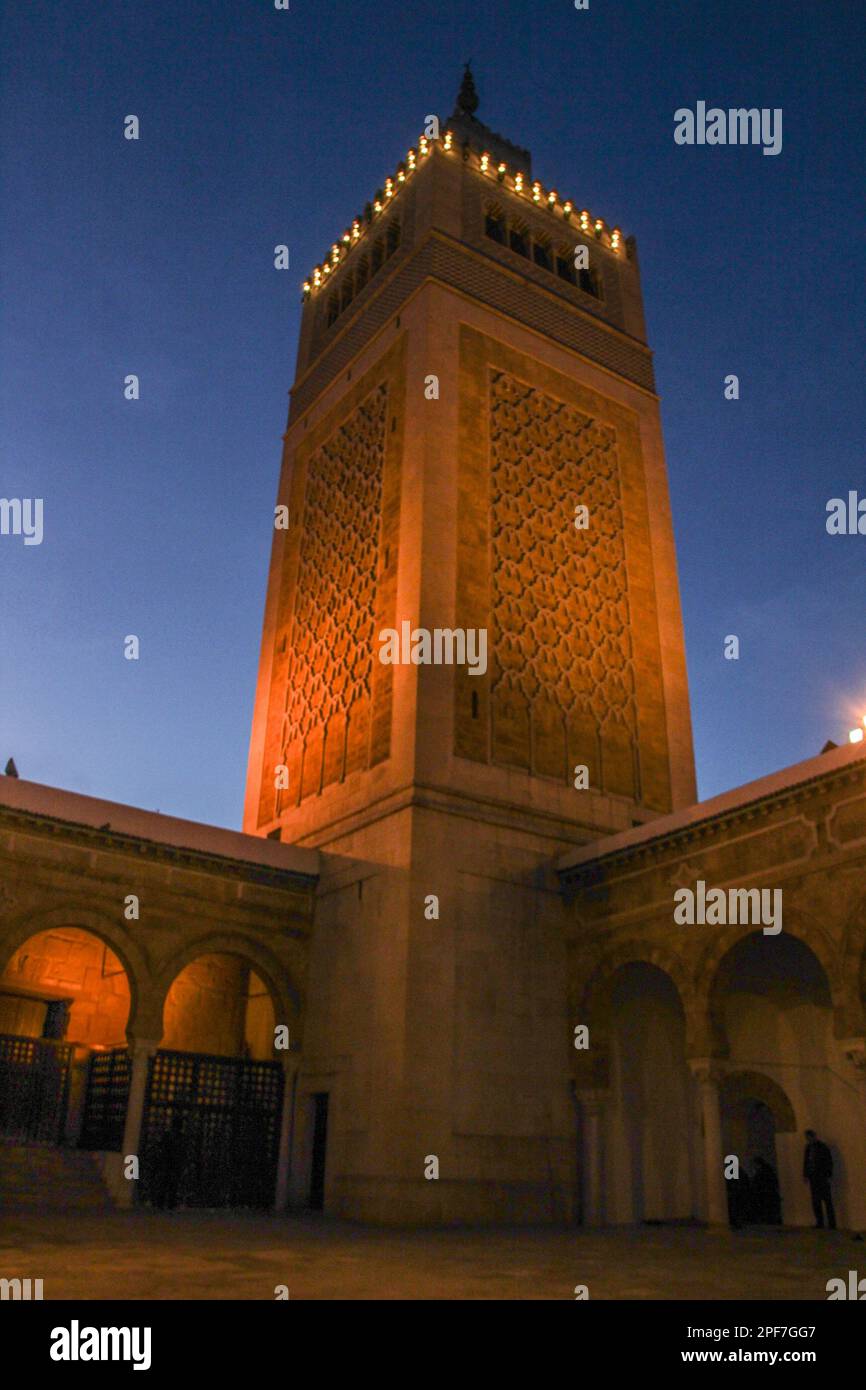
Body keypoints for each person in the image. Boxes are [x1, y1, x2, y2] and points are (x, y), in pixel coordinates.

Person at [803, 1129, 836, 1229]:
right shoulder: (808, 1148)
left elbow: (828, 1161)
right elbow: (806, 1162)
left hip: (821, 1176)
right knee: (816, 1201)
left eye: (809, 1137)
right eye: (807, 1138)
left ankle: (832, 1223)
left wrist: (827, 1174)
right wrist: (806, 1174)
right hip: (813, 1177)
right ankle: (820, 1222)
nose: (808, 1140)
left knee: (827, 1200)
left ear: (814, 1136)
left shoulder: (822, 1147)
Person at [750, 1155, 782, 1225]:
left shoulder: (762, 1172)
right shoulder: (768, 1170)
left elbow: (758, 1183)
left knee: (766, 1208)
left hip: (765, 1193)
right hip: (768, 1193)